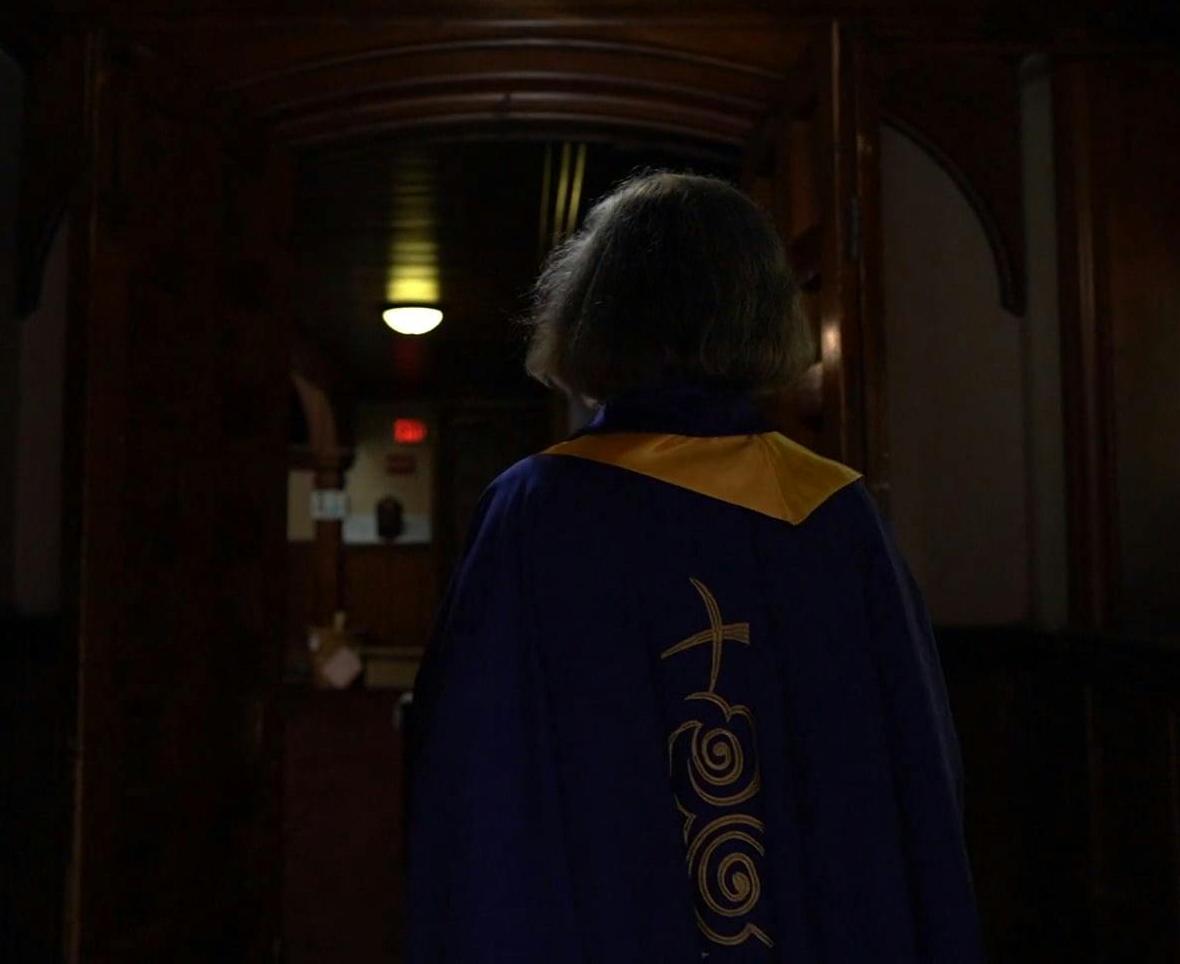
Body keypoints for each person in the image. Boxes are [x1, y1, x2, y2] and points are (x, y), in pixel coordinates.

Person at [404, 171, 983, 961]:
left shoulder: (540, 508)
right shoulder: (833, 512)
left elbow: (480, 794)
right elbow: (909, 789)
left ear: (596, 313)